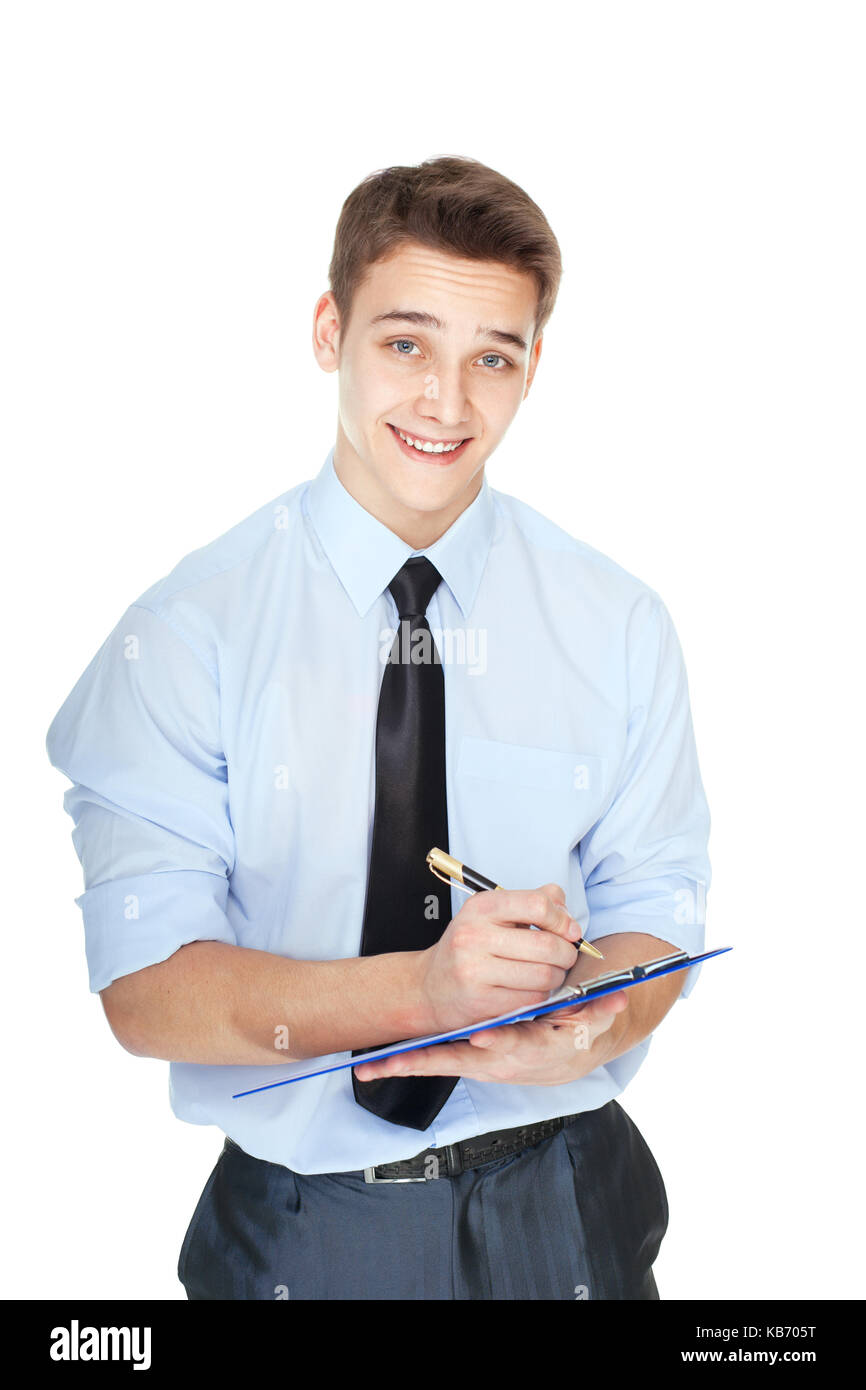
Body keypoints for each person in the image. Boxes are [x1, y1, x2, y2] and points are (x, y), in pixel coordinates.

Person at [46, 155, 711, 1301]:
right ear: (327, 330)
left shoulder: (617, 622)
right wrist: (426, 994)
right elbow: (146, 991)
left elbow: (656, 917)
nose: (446, 402)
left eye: (490, 357)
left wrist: (594, 1025)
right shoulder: (187, 633)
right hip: (307, 1233)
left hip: (570, 1209)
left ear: (530, 368)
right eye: (405, 343)